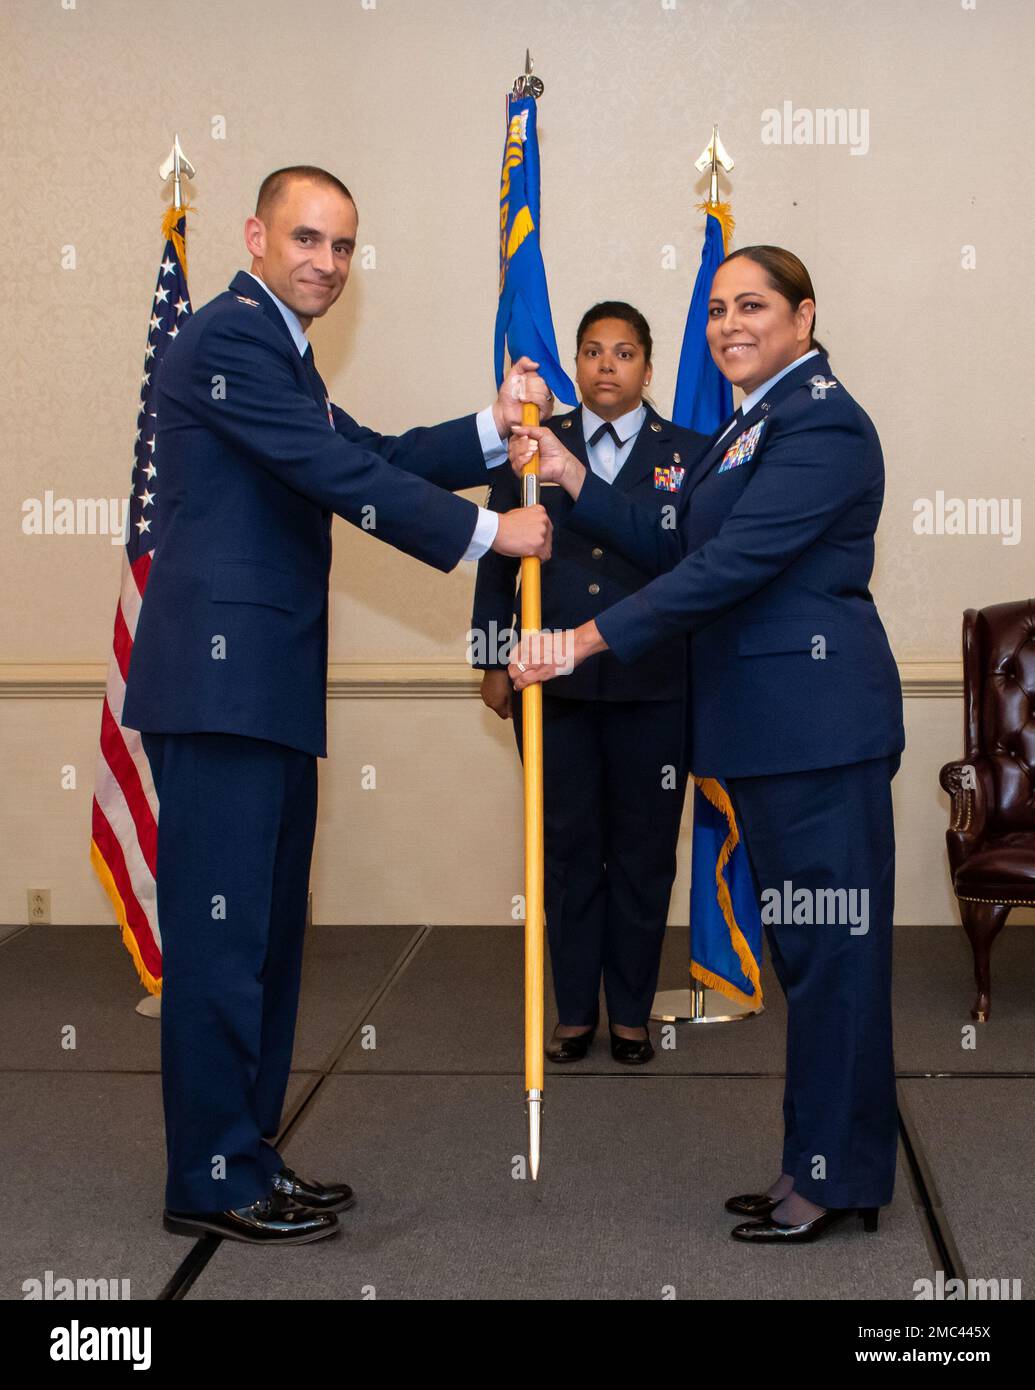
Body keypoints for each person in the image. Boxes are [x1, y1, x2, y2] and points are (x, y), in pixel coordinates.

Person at [121, 165, 553, 1246]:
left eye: (344, 246)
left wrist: (490, 433)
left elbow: (364, 455)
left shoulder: (279, 352)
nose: (325, 261)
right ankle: (210, 1177)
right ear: (255, 236)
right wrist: (486, 536)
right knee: (224, 944)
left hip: (259, 689)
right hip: (222, 689)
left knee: (264, 935)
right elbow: (330, 469)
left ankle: (246, 1153)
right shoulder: (229, 336)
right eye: (306, 238)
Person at [508, 246, 905, 1244]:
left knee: (832, 959)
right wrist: (568, 475)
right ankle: (817, 1167)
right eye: (717, 307)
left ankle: (830, 1178)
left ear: (802, 317)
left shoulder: (821, 423)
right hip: (769, 734)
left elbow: (724, 566)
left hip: (816, 731)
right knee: (809, 958)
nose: (728, 322)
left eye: (752, 305)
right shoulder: (749, 424)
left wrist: (584, 639)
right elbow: (674, 525)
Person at [472, 302, 707, 1064]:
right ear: (574, 365)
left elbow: (690, 565)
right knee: (567, 851)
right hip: (551, 686)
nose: (608, 366)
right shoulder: (532, 445)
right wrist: (488, 657)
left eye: (625, 353)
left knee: (642, 854)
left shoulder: (690, 454)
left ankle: (632, 1014)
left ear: (648, 367)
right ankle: (574, 1012)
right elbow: (494, 555)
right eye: (594, 352)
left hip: (653, 683)